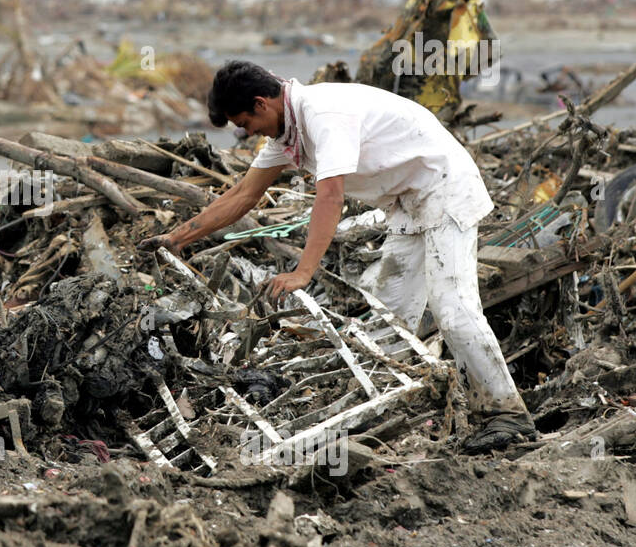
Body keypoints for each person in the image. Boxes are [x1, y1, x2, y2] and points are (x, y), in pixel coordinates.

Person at [141, 60, 537, 453]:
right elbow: (243, 195)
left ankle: (507, 415)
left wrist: (303, 272)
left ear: (262, 104)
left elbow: (330, 195)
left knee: (453, 308)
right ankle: (385, 412)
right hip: (408, 203)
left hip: (443, 188)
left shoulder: (323, 114)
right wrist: (176, 239)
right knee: (390, 319)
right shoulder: (286, 133)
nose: (247, 133)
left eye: (244, 123)